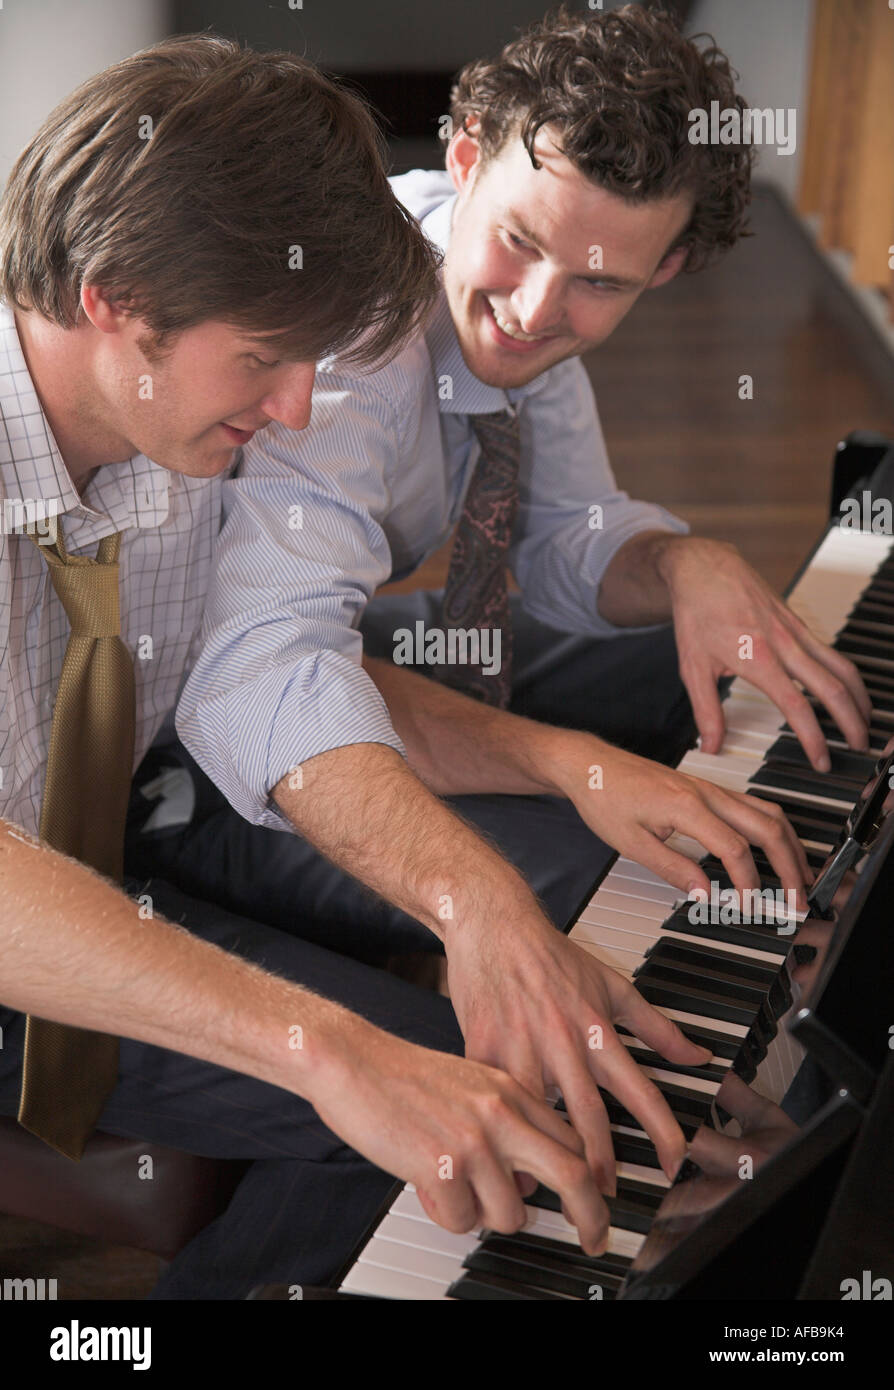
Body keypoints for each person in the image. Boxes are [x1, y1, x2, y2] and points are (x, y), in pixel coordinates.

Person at [153, 6, 867, 1209]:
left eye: (599, 282)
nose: (539, 308)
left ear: (667, 268)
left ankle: (821, 977)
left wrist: (686, 565)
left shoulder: (511, 306)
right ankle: (713, 1147)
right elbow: (266, 670)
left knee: (691, 660)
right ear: (469, 153)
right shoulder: (362, 328)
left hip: (311, 649)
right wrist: (563, 785)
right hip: (193, 743)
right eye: (524, 245)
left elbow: (568, 550)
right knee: (607, 869)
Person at [0, 33, 616, 1301]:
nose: (292, 412)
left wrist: (572, 772)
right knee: (393, 1087)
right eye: (264, 361)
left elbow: (277, 663)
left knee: (466, 1057)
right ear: (114, 297)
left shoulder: (169, 424)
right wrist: (320, 1047)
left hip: (126, 831)